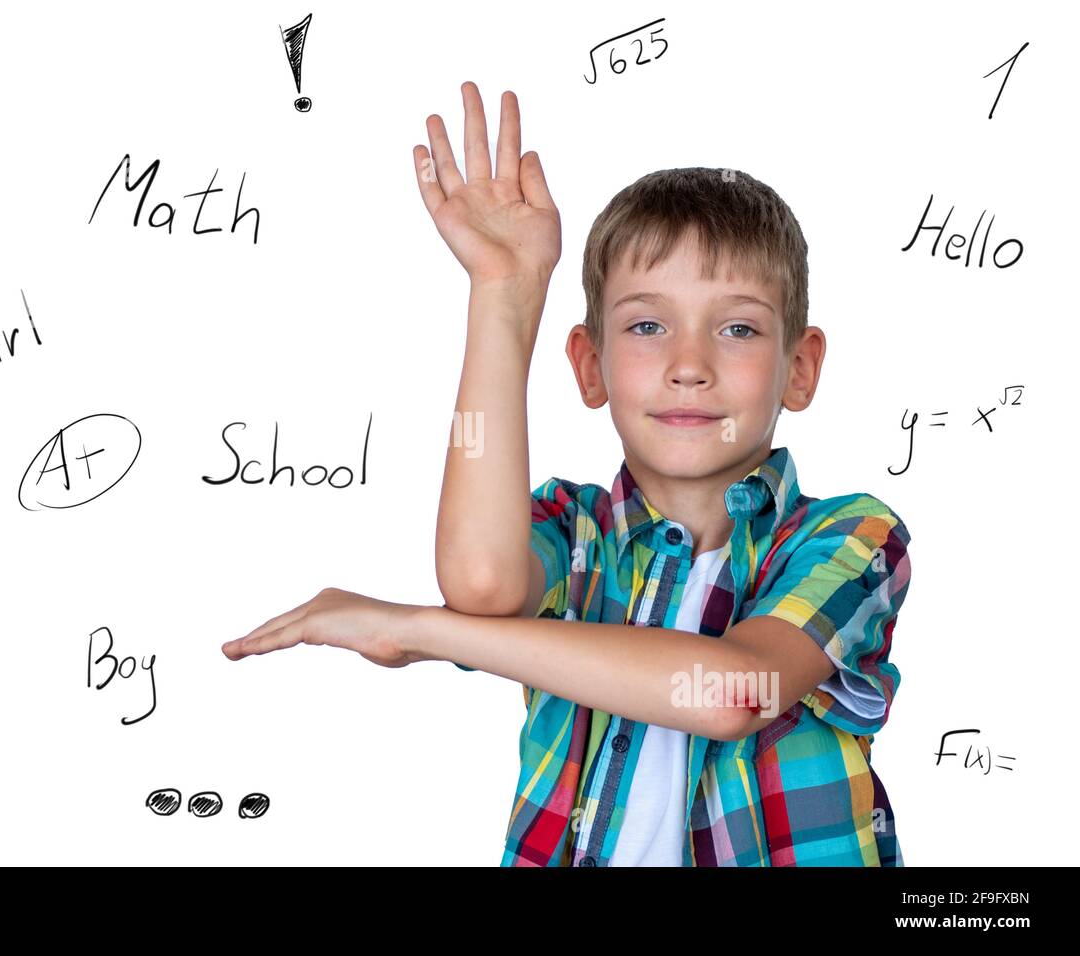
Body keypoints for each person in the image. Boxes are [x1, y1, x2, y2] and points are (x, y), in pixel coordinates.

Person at [222, 81, 912, 867]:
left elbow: (734, 693)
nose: (690, 365)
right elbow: (481, 587)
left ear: (800, 366)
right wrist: (502, 295)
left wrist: (415, 631)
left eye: (738, 328)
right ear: (590, 366)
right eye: (648, 325)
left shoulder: (851, 537)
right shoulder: (572, 531)